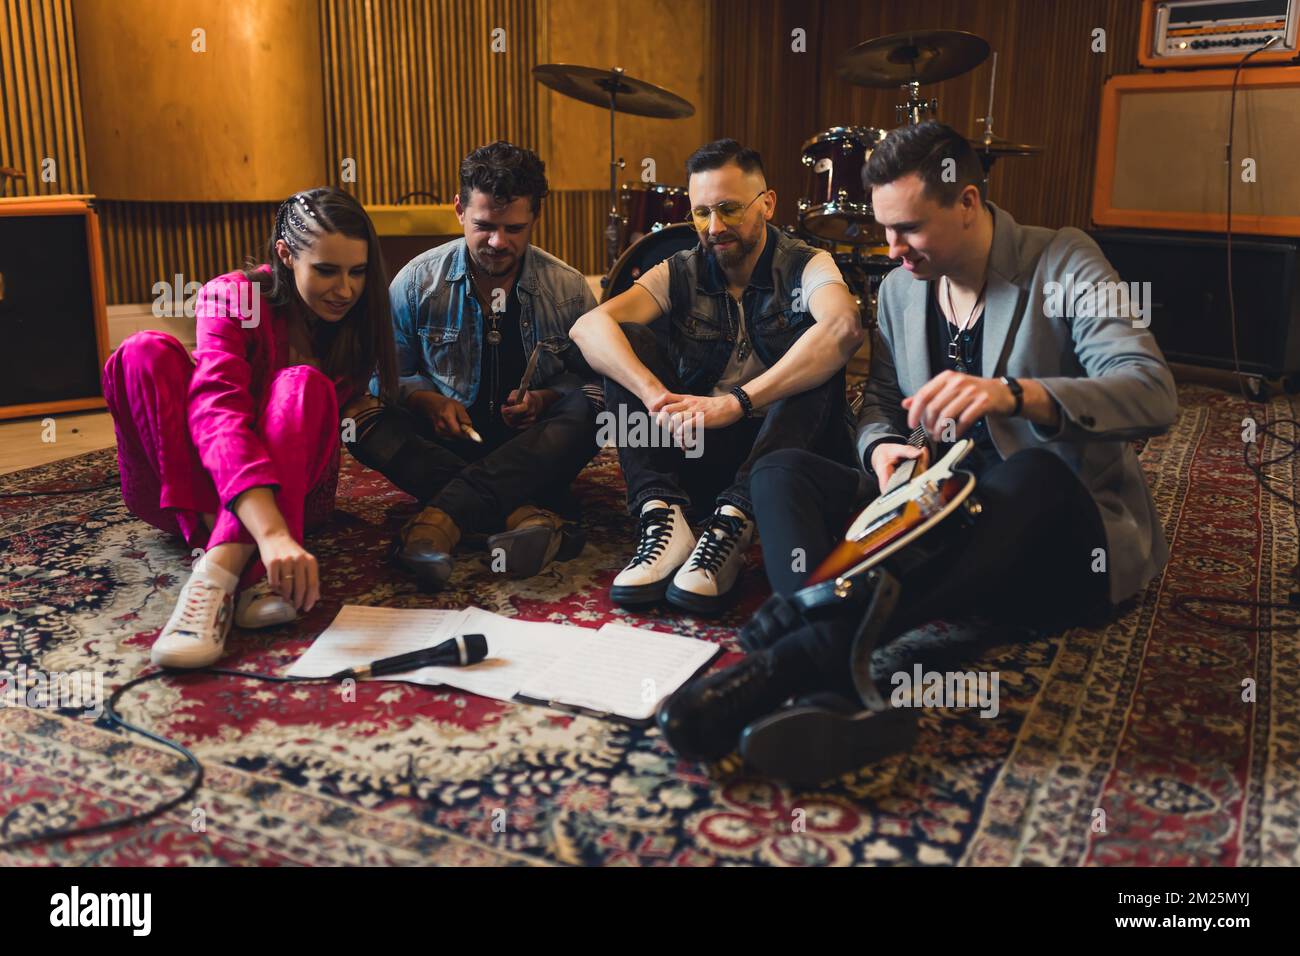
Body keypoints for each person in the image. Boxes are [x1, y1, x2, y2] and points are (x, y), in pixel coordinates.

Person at [657, 121, 1179, 780]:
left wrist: (1016, 395)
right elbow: (878, 403)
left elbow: (1154, 393)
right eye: (884, 229)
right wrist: (879, 451)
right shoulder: (903, 289)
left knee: (1033, 473)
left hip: (1055, 542)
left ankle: (799, 649)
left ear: (966, 203)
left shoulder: (1064, 260)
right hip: (934, 517)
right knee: (780, 468)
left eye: (909, 229)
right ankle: (835, 678)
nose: (892, 248)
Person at [102, 188, 399, 668]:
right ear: (285, 254)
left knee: (301, 384)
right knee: (142, 350)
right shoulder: (234, 295)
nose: (345, 289)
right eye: (326, 270)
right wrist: (272, 534)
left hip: (297, 491)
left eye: (357, 272)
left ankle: (217, 569)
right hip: (190, 492)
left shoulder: (360, 320)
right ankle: (242, 561)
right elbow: (218, 412)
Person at [569, 139, 863, 613]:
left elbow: (844, 327)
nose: (714, 227)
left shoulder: (807, 263)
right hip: (703, 451)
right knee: (625, 343)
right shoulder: (681, 270)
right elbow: (588, 327)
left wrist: (736, 403)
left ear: (767, 203)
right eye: (701, 213)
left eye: (728, 209)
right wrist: (655, 394)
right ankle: (663, 517)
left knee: (816, 351)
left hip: (783, 458)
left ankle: (733, 523)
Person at [344, 142, 601, 589]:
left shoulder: (569, 288)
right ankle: (523, 513)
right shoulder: (416, 281)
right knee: (358, 416)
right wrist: (424, 399)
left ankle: (442, 517)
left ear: (535, 218)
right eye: (485, 226)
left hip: (533, 450)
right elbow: (384, 375)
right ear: (459, 209)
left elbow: (589, 377)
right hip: (446, 446)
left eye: (515, 228)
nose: (499, 242)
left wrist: (544, 398)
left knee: (600, 405)